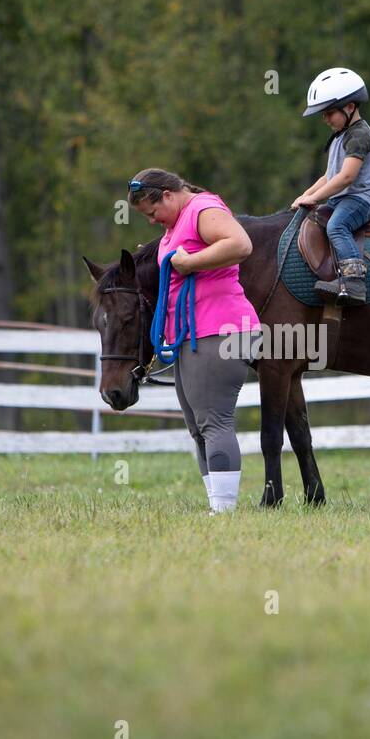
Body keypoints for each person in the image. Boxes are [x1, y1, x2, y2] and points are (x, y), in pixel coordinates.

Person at [128, 168, 260, 514]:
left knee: (214, 421)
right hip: (192, 333)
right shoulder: (176, 225)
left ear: (168, 195)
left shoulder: (202, 209)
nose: (153, 221)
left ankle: (225, 511)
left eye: (152, 212)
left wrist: (191, 263)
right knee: (198, 426)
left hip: (220, 328)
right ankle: (217, 505)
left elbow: (240, 244)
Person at [291, 67, 370, 306]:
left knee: (337, 225)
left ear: (350, 107)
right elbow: (329, 176)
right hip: (342, 198)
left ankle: (354, 281)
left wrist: (315, 198)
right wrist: (306, 195)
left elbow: (346, 178)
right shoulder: (340, 135)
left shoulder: (360, 135)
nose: (325, 118)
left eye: (330, 112)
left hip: (363, 198)